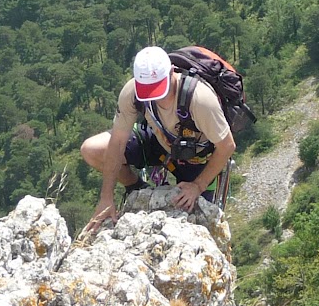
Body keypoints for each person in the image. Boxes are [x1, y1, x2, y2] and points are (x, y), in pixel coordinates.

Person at [79, 45, 236, 239]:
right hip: (160, 139)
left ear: (171, 72)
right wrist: (106, 197)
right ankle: (136, 187)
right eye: (147, 90)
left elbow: (227, 145)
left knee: (200, 226)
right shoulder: (133, 93)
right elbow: (117, 143)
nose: (154, 96)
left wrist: (198, 185)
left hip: (197, 159)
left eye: (158, 89)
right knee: (91, 149)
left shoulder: (199, 99)